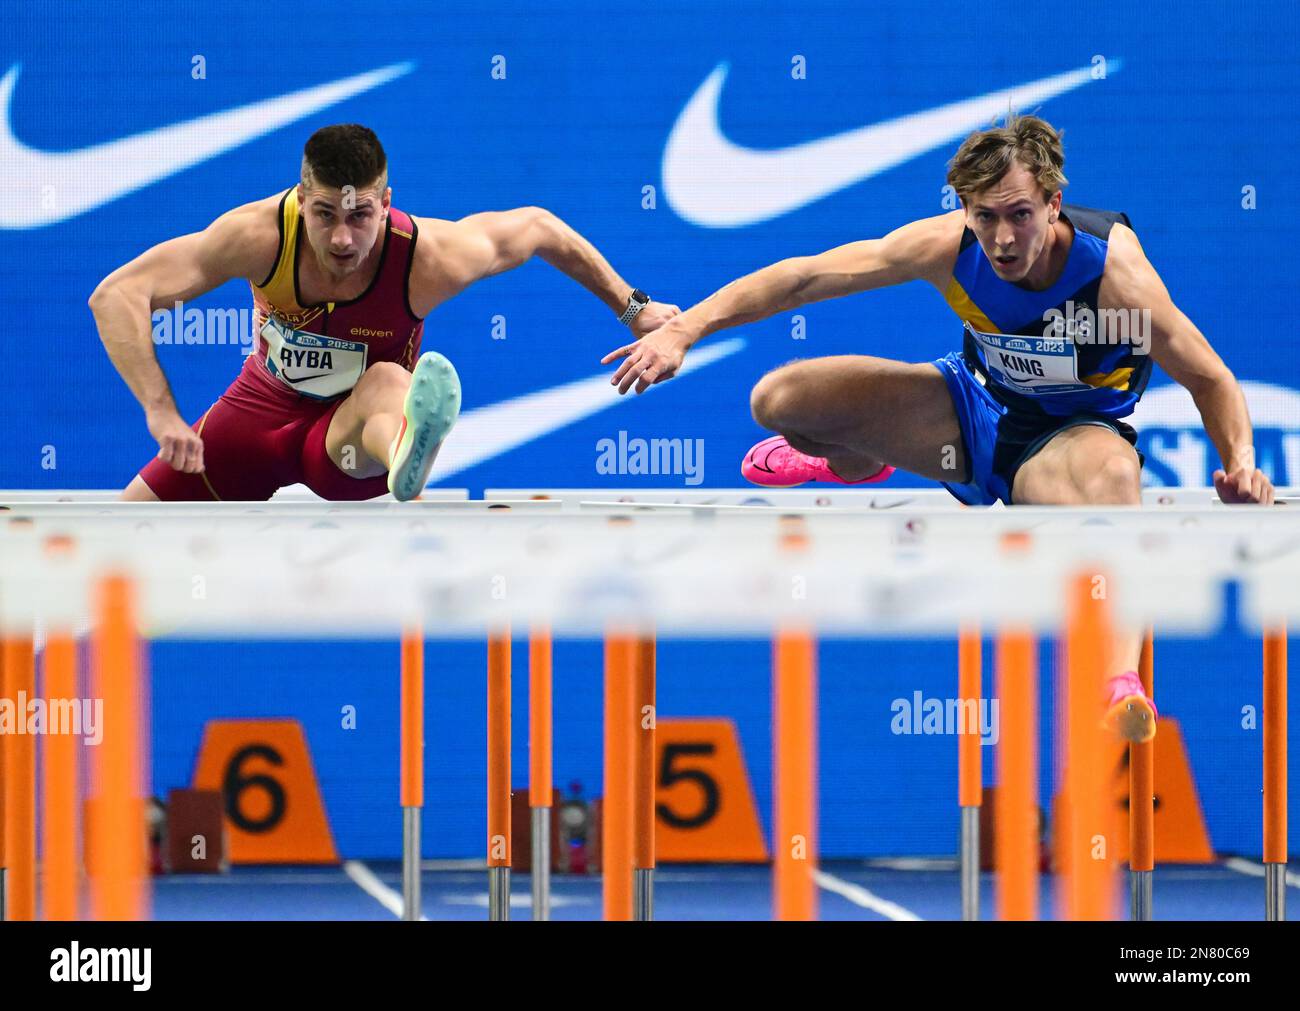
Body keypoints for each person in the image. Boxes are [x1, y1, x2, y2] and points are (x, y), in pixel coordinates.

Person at [602, 114, 1275, 741]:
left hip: (1066, 442)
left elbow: (1211, 378)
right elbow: (803, 279)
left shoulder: (1116, 277)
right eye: (986, 217)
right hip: (969, 410)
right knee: (778, 399)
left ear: (1053, 203)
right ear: (963, 209)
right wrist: (686, 329)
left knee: (1115, 479)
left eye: (1019, 215)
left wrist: (1241, 461)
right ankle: (855, 461)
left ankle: (1119, 678)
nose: (1004, 238)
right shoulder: (948, 248)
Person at [91, 123, 677, 502]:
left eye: (360, 216)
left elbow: (540, 228)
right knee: (110, 548)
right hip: (250, 420)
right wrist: (162, 412)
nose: (343, 239)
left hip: (347, 443)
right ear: (300, 199)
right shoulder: (257, 236)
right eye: (324, 215)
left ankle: (405, 456)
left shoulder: (427, 258)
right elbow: (117, 295)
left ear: (385, 203)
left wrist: (635, 309)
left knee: (390, 381)